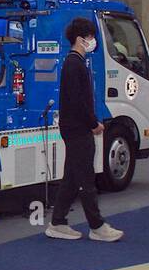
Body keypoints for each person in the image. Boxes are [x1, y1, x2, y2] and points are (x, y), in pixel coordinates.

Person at [45, 18, 124, 242]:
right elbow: (78, 101)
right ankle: (97, 225)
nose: (93, 41)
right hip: (77, 129)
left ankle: (58, 222)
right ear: (81, 39)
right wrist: (93, 123)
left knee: (72, 176)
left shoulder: (76, 62)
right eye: (90, 37)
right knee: (86, 178)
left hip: (75, 128)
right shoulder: (74, 64)